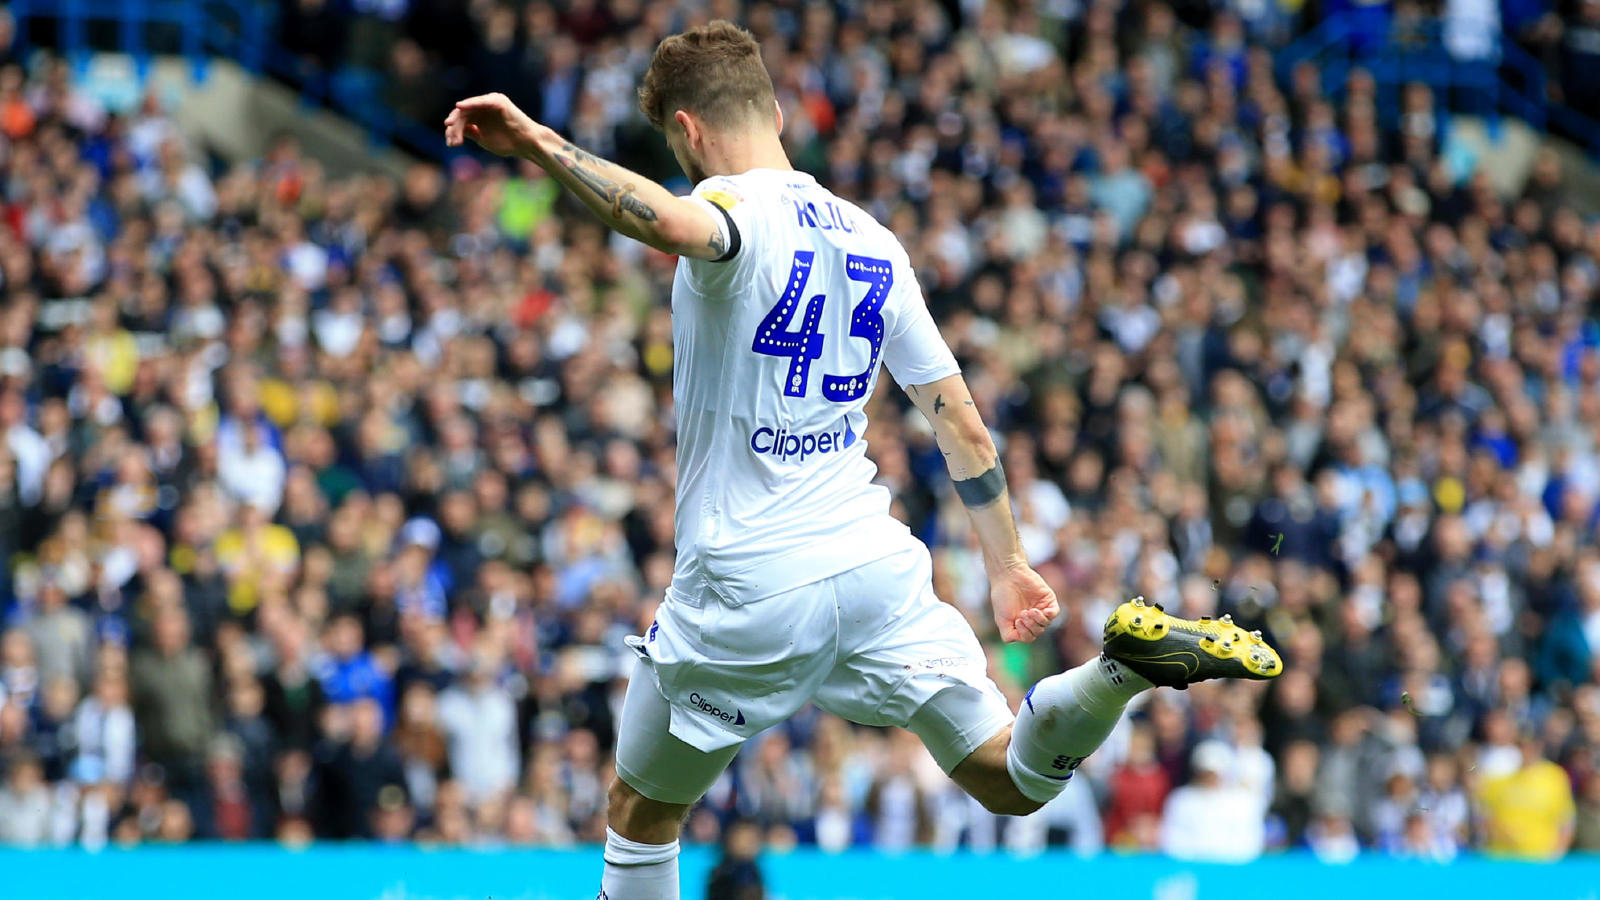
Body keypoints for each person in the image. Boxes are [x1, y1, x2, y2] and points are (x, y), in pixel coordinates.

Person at [444, 21, 1283, 899]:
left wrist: (538, 143)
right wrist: (1009, 568)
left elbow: (664, 219)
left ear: (687, 132)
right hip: (870, 566)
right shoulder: (875, 240)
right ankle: (1117, 673)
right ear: (775, 108)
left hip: (748, 584)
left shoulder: (733, 213)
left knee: (640, 812)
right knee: (1009, 777)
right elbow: (960, 422)